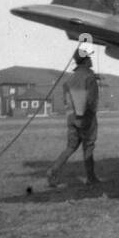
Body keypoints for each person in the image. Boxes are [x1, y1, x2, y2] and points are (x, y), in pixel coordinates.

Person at [47, 50, 101, 186]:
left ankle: (53, 170)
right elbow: (91, 100)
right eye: (89, 58)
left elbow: (67, 99)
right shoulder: (90, 77)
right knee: (88, 147)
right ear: (85, 61)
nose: (91, 60)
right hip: (86, 117)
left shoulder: (70, 78)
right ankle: (91, 178)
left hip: (71, 117)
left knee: (70, 147)